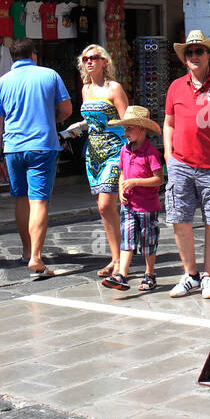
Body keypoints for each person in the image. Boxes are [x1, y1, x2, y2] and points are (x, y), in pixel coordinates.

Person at [0, 36, 72, 278]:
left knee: (21, 199)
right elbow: (66, 109)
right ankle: (36, 257)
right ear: (33, 54)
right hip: (42, 146)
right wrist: (51, 118)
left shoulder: (2, 83)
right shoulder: (49, 75)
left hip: (13, 148)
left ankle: (27, 251)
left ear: (12, 57)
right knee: (39, 201)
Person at [165, 29, 210, 300]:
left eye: (199, 51)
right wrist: (168, 154)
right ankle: (190, 275)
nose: (193, 56)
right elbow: (168, 123)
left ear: (209, 56)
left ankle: (208, 276)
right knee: (180, 220)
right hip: (180, 163)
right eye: (189, 52)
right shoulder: (176, 86)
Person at [72, 44, 129, 278]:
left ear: (105, 61)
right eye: (85, 58)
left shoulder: (114, 88)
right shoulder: (85, 89)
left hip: (115, 151)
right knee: (103, 209)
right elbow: (93, 121)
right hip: (93, 154)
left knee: (107, 205)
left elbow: (127, 123)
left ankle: (121, 259)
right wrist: (80, 126)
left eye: (94, 57)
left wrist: (129, 159)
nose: (89, 61)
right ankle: (116, 258)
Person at [102, 107, 164, 292]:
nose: (126, 133)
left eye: (129, 128)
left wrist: (136, 182)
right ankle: (122, 274)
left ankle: (150, 274)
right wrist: (121, 189)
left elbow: (159, 179)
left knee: (148, 241)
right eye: (125, 129)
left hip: (147, 207)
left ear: (142, 129)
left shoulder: (151, 153)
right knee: (127, 240)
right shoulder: (124, 150)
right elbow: (122, 173)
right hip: (129, 205)